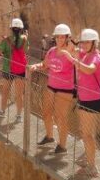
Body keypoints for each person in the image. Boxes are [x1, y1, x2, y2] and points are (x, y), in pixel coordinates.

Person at [30, 23, 78, 154]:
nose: (60, 40)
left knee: (60, 117)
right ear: (55, 38)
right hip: (51, 86)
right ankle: (49, 137)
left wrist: (71, 51)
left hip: (65, 89)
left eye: (63, 37)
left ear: (67, 38)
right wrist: (36, 66)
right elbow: (45, 64)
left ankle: (62, 146)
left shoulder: (72, 52)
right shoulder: (51, 51)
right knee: (46, 113)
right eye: (58, 37)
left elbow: (81, 60)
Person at [74, 28, 100, 178]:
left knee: (87, 135)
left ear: (94, 43)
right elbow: (73, 50)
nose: (84, 44)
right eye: (83, 42)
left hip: (92, 100)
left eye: (88, 42)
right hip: (85, 98)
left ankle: (92, 167)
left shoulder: (95, 57)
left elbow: (90, 70)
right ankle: (88, 158)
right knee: (85, 132)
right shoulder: (86, 54)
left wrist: (77, 63)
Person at [0, 18, 28, 121]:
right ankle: (19, 116)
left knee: (5, 91)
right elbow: (25, 50)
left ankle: (2, 111)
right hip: (21, 70)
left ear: (11, 28)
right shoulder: (25, 39)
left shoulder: (6, 40)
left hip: (8, 69)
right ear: (21, 29)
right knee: (19, 94)